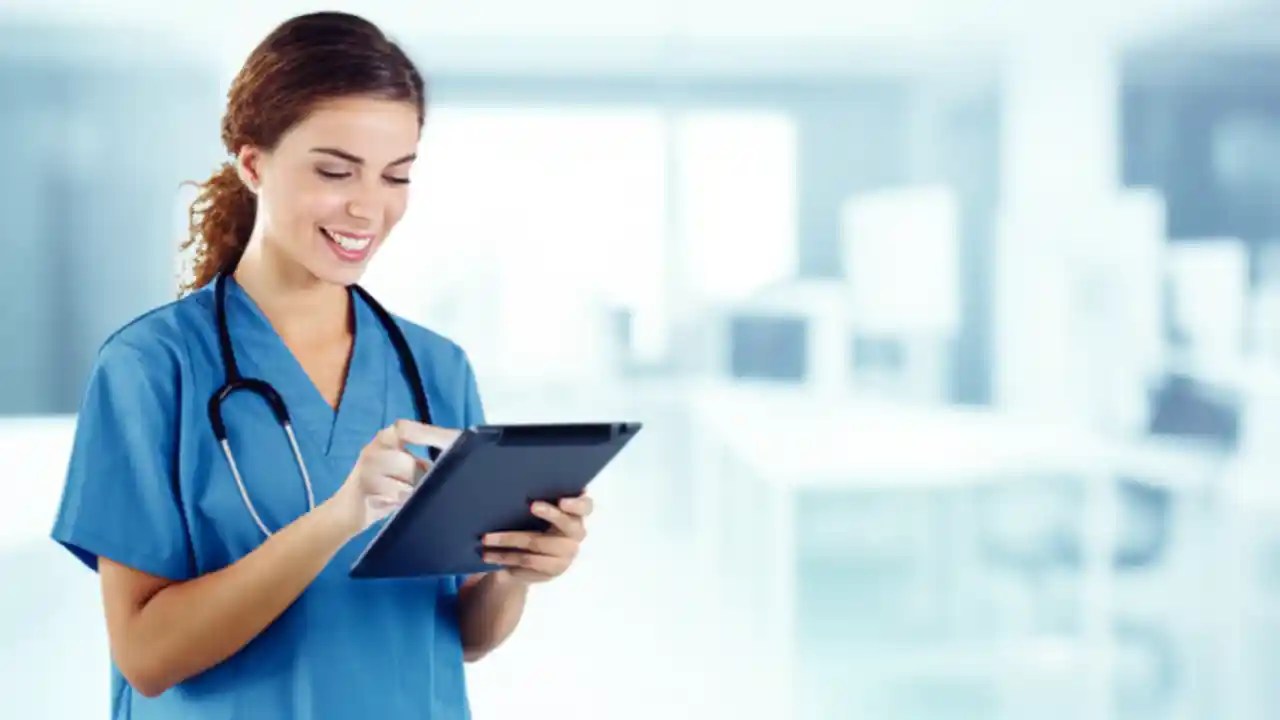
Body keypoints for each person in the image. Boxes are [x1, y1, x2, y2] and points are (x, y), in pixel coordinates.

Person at [49, 11, 593, 719]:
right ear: (253, 164)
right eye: (336, 171)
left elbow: (463, 637)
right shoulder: (151, 369)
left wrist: (517, 574)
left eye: (396, 175)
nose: (368, 207)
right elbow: (146, 657)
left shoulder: (435, 368)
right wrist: (339, 517)